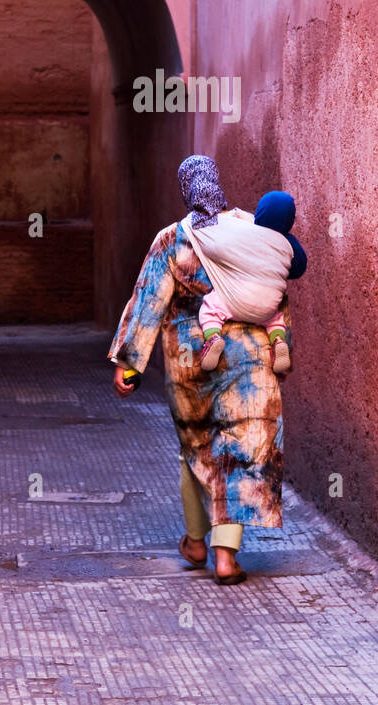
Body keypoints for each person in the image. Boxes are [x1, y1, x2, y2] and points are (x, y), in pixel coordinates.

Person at [109, 155, 291, 587]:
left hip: (191, 358)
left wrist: (128, 365)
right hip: (251, 353)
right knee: (241, 451)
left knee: (198, 452)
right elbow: (274, 287)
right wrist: (280, 343)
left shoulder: (174, 238)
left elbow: (149, 300)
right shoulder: (250, 228)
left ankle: (196, 542)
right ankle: (226, 556)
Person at [188, 190, 307, 375]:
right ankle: (278, 341)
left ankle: (213, 337)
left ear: (260, 212)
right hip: (268, 305)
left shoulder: (246, 231)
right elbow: (299, 268)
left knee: (211, 307)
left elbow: (218, 248)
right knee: (276, 319)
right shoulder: (288, 244)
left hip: (238, 301)